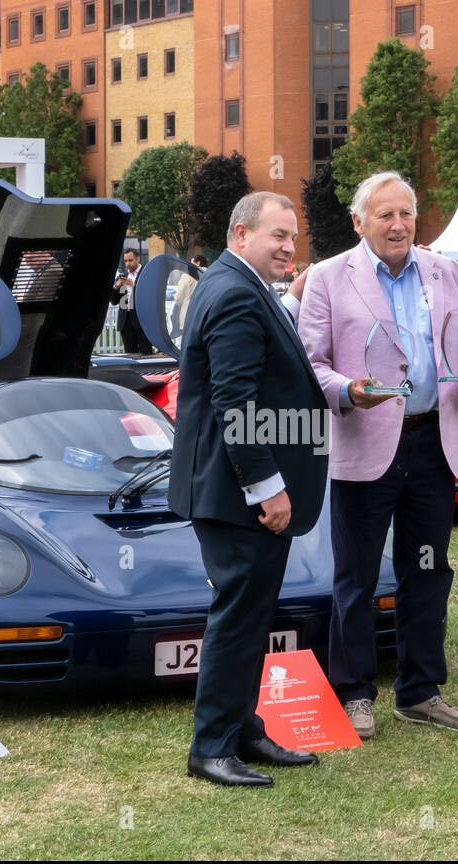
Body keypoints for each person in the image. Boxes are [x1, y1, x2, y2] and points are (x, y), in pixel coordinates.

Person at [293, 171, 458, 739]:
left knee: (428, 570)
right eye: (385, 215)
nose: (399, 224)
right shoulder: (330, 279)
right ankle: (354, 693)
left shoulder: (447, 272)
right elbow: (313, 365)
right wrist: (349, 391)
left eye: (406, 213)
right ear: (359, 222)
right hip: (364, 441)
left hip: (432, 441)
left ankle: (421, 691)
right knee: (355, 576)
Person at [170, 192, 328, 788]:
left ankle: (243, 729)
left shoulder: (239, 282)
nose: (289, 246)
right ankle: (211, 747)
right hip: (238, 493)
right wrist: (268, 489)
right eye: (277, 235)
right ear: (241, 234)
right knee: (238, 616)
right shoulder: (236, 292)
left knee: (252, 613)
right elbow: (236, 404)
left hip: (233, 489)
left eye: (293, 236)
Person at [110, 249, 154, 354]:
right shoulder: (122, 276)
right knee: (130, 355)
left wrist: (134, 286)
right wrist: (116, 287)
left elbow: (150, 296)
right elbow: (114, 301)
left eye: (130, 260)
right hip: (126, 322)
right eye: (125, 261)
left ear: (138, 258)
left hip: (142, 321)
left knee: (146, 353)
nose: (127, 263)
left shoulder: (147, 273)